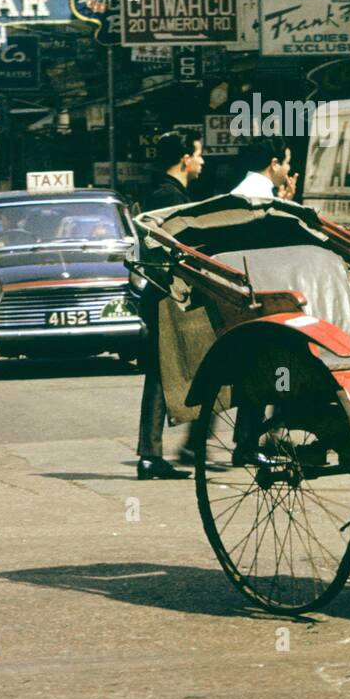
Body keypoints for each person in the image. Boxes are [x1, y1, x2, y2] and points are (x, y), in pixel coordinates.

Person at [135, 131, 204, 479]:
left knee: (161, 374)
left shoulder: (162, 192)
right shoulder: (168, 197)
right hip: (167, 295)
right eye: (199, 154)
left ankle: (153, 453)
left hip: (162, 294)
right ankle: (152, 454)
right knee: (161, 374)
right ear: (185, 159)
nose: (202, 161)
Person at [231, 136, 297, 200]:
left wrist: (282, 203)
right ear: (274, 164)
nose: (289, 168)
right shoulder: (265, 196)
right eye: (287, 162)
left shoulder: (238, 191)